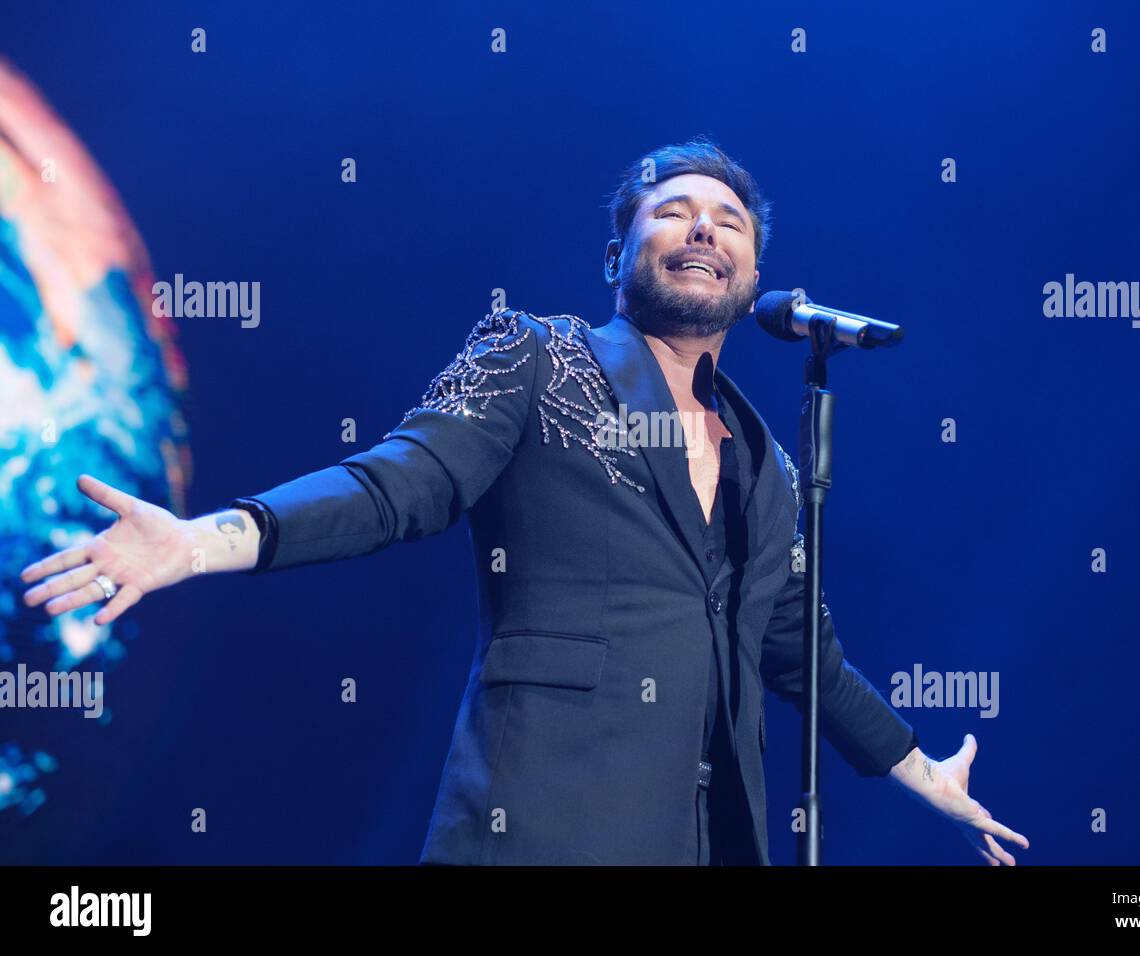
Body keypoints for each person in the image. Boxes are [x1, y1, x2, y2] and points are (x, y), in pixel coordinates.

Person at [20, 138, 1028, 866]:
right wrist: (202, 542)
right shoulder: (537, 357)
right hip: (543, 828)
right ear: (615, 256)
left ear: (754, 273)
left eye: (727, 221)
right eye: (673, 209)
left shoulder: (764, 457)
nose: (702, 228)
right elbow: (395, 484)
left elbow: (798, 648)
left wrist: (918, 768)